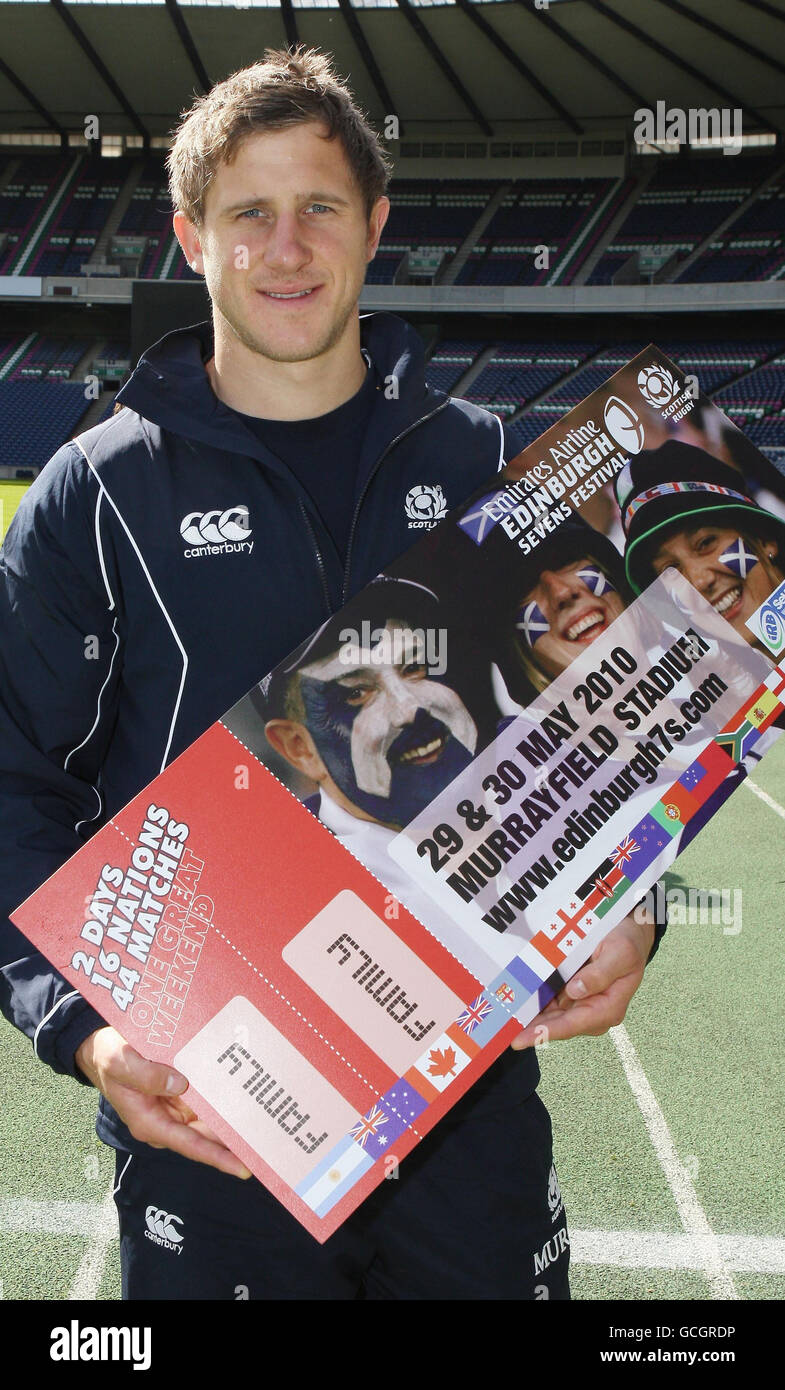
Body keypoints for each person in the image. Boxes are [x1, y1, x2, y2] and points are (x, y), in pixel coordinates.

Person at [0, 48, 661, 1301]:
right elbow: (12, 783)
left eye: (320, 207)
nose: (286, 246)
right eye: (248, 212)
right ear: (191, 235)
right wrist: (84, 1030)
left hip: (467, 1113)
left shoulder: (490, 461)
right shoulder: (95, 491)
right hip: (218, 1108)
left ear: (377, 226)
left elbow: (602, 733)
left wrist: (637, 902)